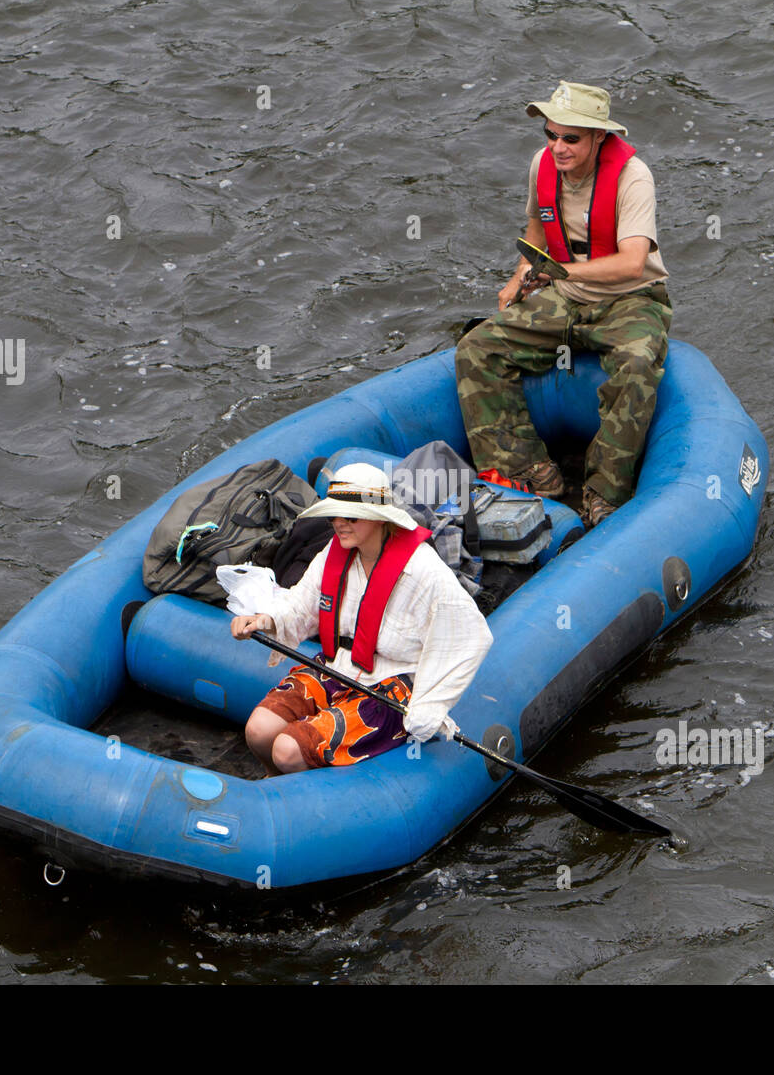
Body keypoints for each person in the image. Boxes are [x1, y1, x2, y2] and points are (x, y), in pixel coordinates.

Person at [456, 80, 672, 528]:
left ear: (599, 138)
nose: (557, 147)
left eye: (570, 138)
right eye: (550, 135)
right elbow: (537, 226)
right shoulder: (543, 166)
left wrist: (564, 273)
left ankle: (603, 495)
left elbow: (633, 263)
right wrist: (520, 276)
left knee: (635, 365)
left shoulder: (634, 178)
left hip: (628, 301)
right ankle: (529, 471)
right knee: (478, 349)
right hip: (563, 295)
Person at [230, 462, 493, 776]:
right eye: (334, 516)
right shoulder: (336, 551)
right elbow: (301, 605)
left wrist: (432, 704)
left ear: (378, 518)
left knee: (287, 749)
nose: (339, 523)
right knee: (259, 730)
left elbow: (472, 636)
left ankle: (310, 791)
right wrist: (266, 620)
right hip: (338, 666)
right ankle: (280, 787)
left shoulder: (423, 569)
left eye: (350, 516)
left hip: (393, 684)